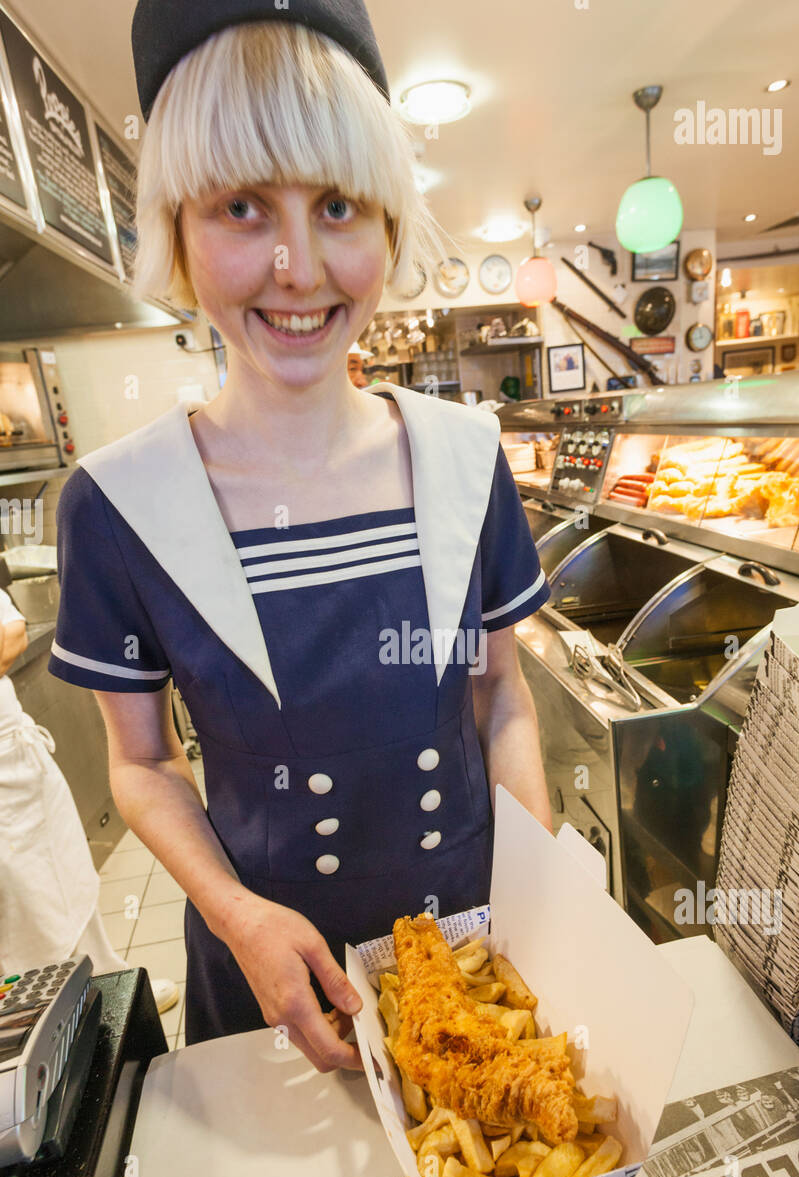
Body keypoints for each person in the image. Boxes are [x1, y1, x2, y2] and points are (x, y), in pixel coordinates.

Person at [48, 0, 552, 1060]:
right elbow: (139, 764)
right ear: (176, 232)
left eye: (335, 206)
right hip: (272, 965)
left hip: (468, 929)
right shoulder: (117, 504)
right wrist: (236, 917)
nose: (296, 265)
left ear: (386, 226)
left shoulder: (465, 456)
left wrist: (539, 881)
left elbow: (499, 692)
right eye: (240, 206)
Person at [0, 584, 177, 1008]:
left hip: (14, 762)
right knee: (23, 912)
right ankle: (46, 1014)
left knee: (66, 882)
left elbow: (12, 633)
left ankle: (109, 986)